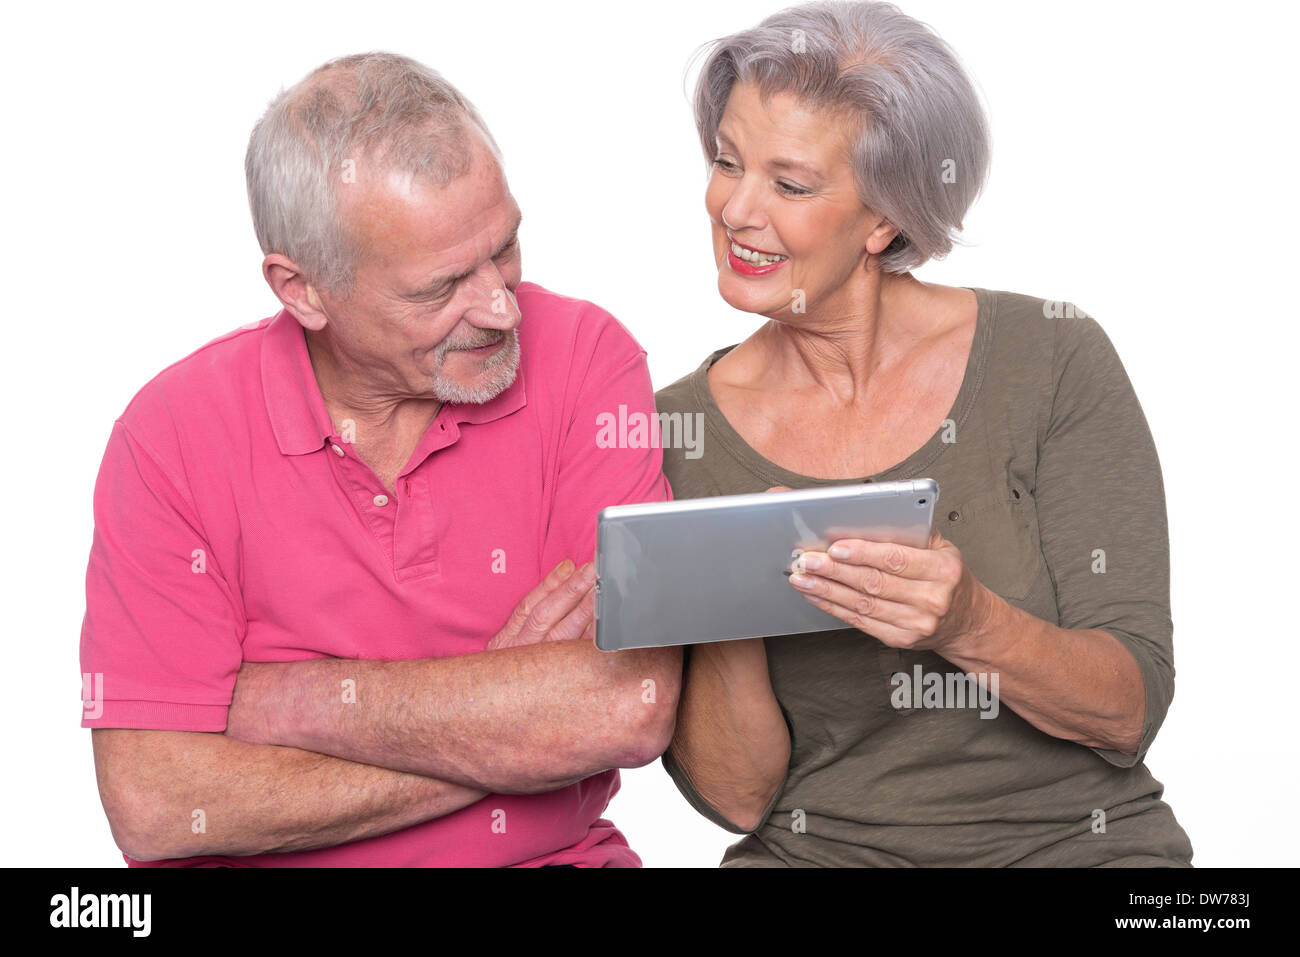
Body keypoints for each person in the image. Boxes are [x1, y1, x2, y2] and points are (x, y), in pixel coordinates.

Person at [80, 52, 680, 867]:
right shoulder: (171, 438)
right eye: (440, 288)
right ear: (304, 291)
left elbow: (624, 708)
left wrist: (295, 701)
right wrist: (505, 724)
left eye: (504, 248)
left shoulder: (584, 358)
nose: (501, 306)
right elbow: (158, 806)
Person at [656, 0, 1193, 866]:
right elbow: (738, 798)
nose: (734, 208)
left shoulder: (1052, 355)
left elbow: (1129, 709)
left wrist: (970, 623)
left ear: (885, 221)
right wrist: (727, 599)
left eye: (790, 184)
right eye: (727, 162)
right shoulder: (672, 430)